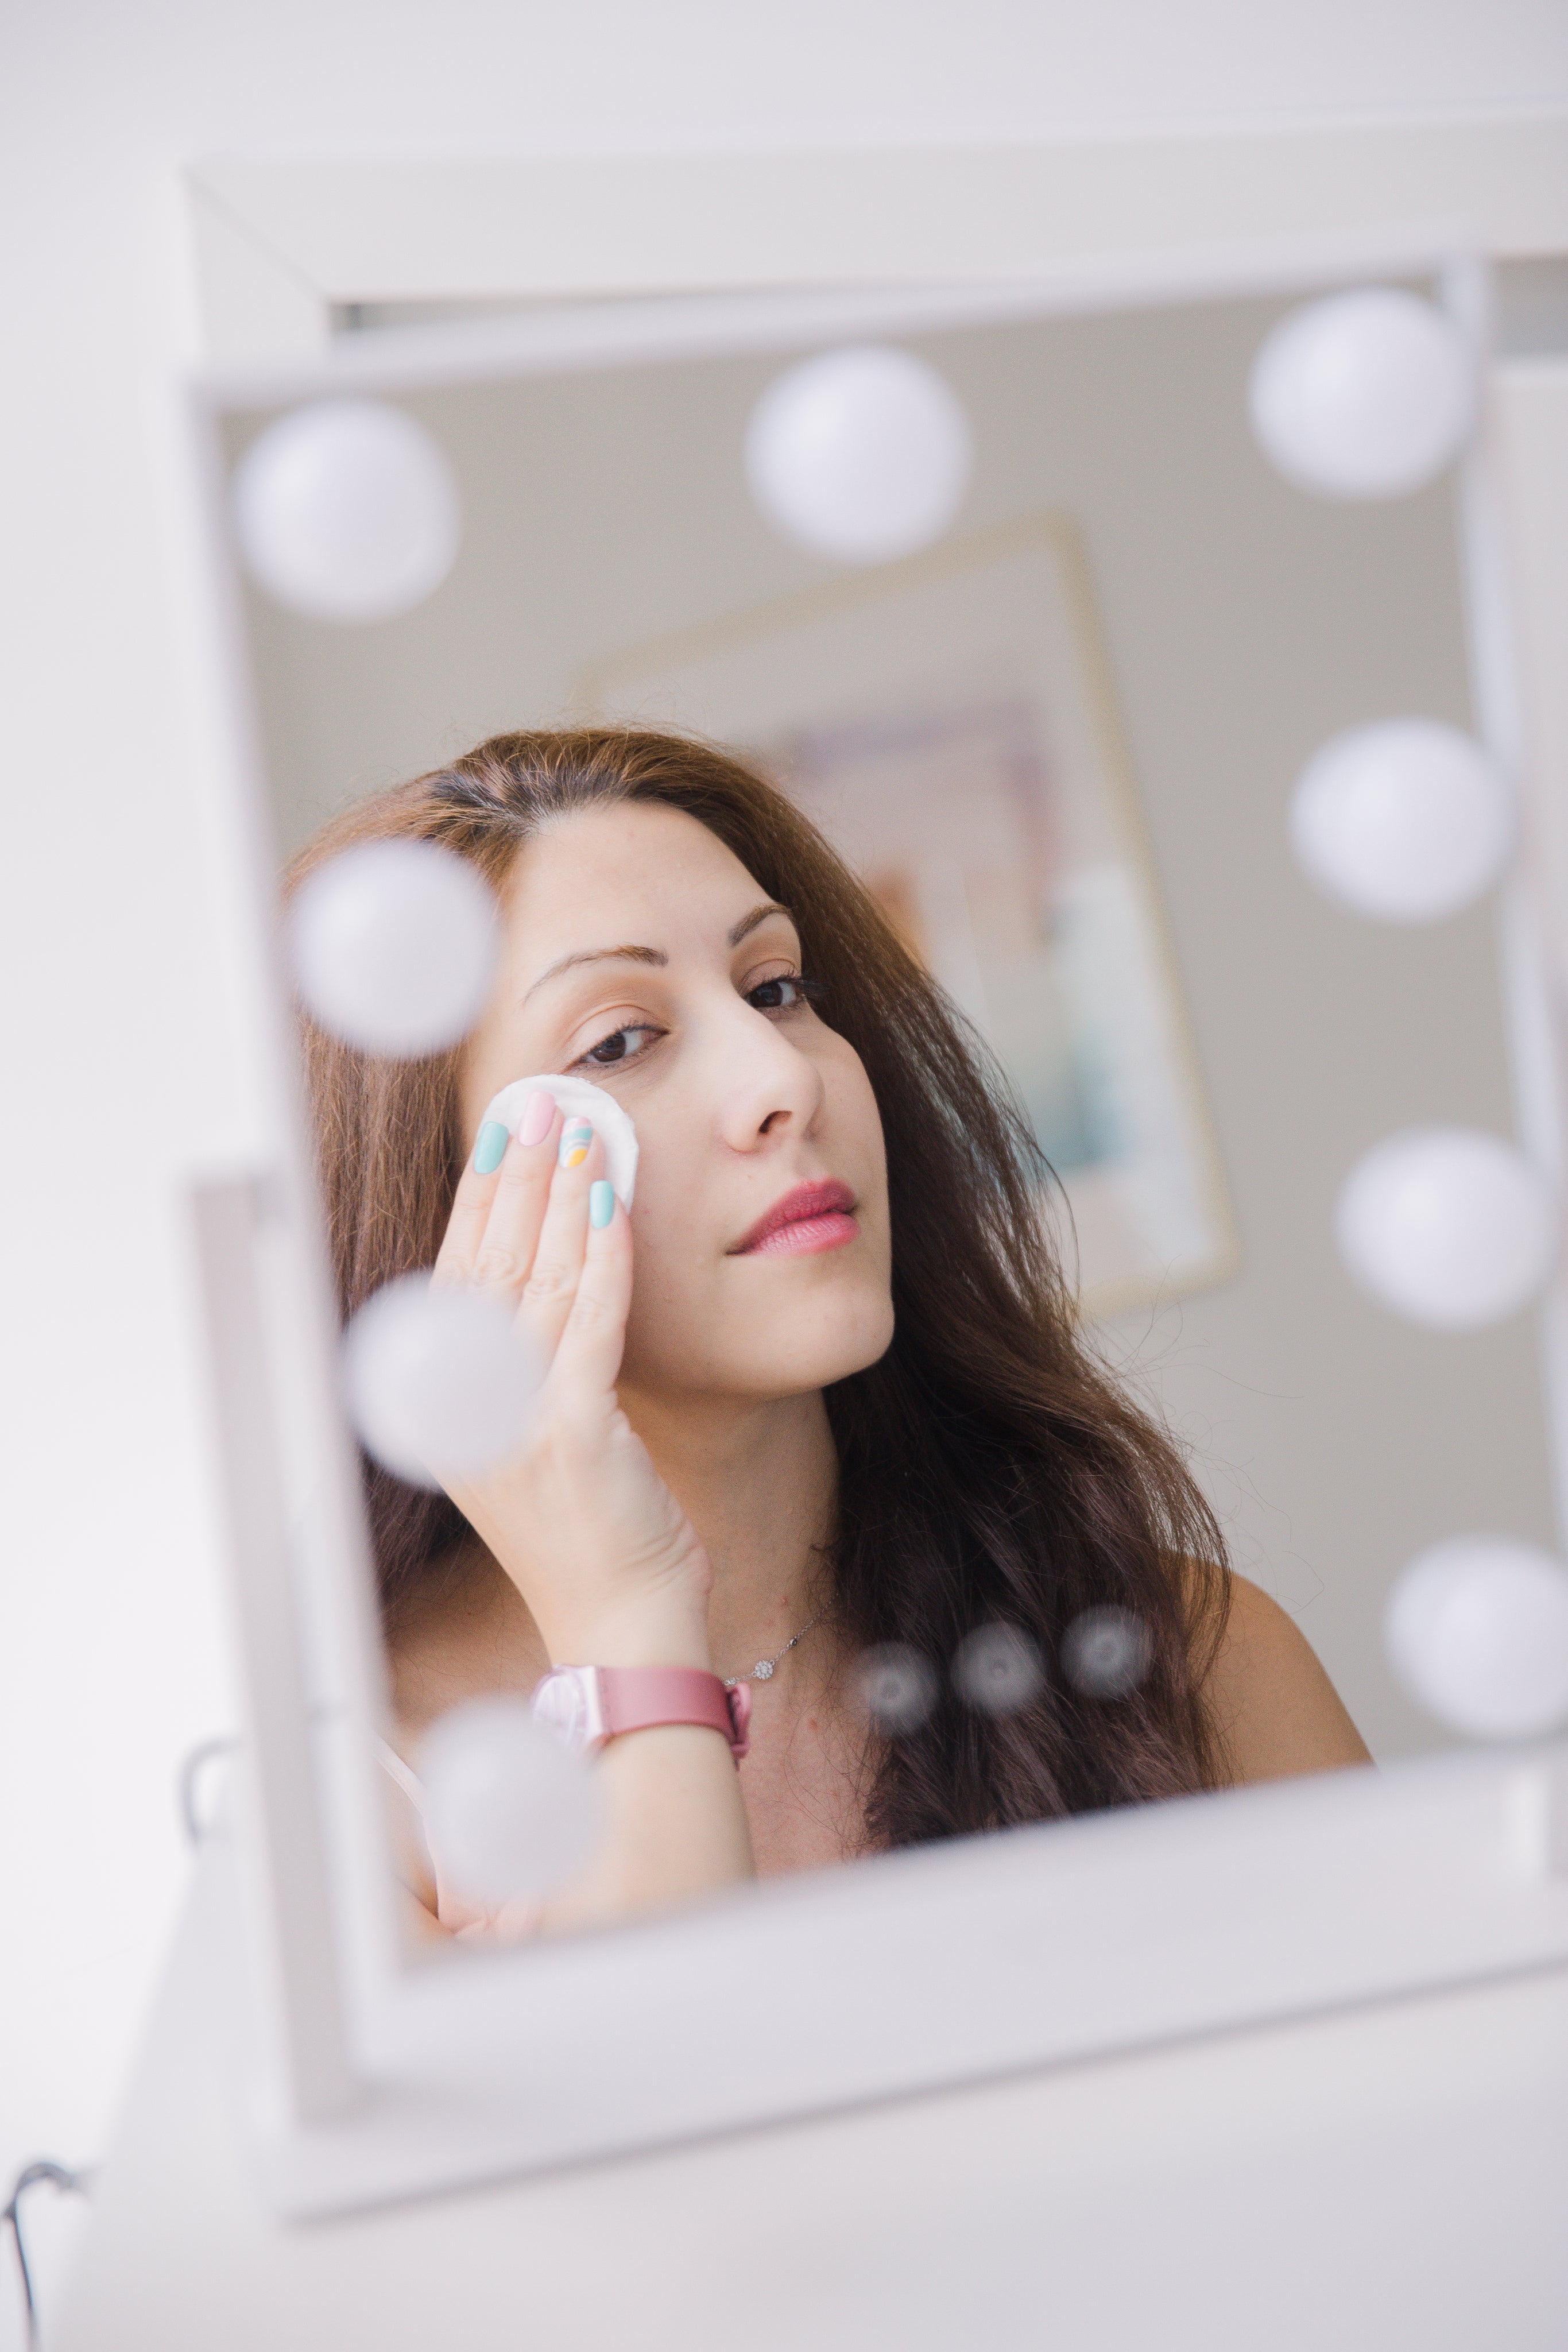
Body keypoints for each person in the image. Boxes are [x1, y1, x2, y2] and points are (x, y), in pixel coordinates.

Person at [288, 728, 1369, 1937]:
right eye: (620, 1040)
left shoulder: (1192, 1663)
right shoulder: (359, 1806)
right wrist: (625, 1629)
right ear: (441, 1204)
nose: (780, 1078)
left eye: (776, 988)